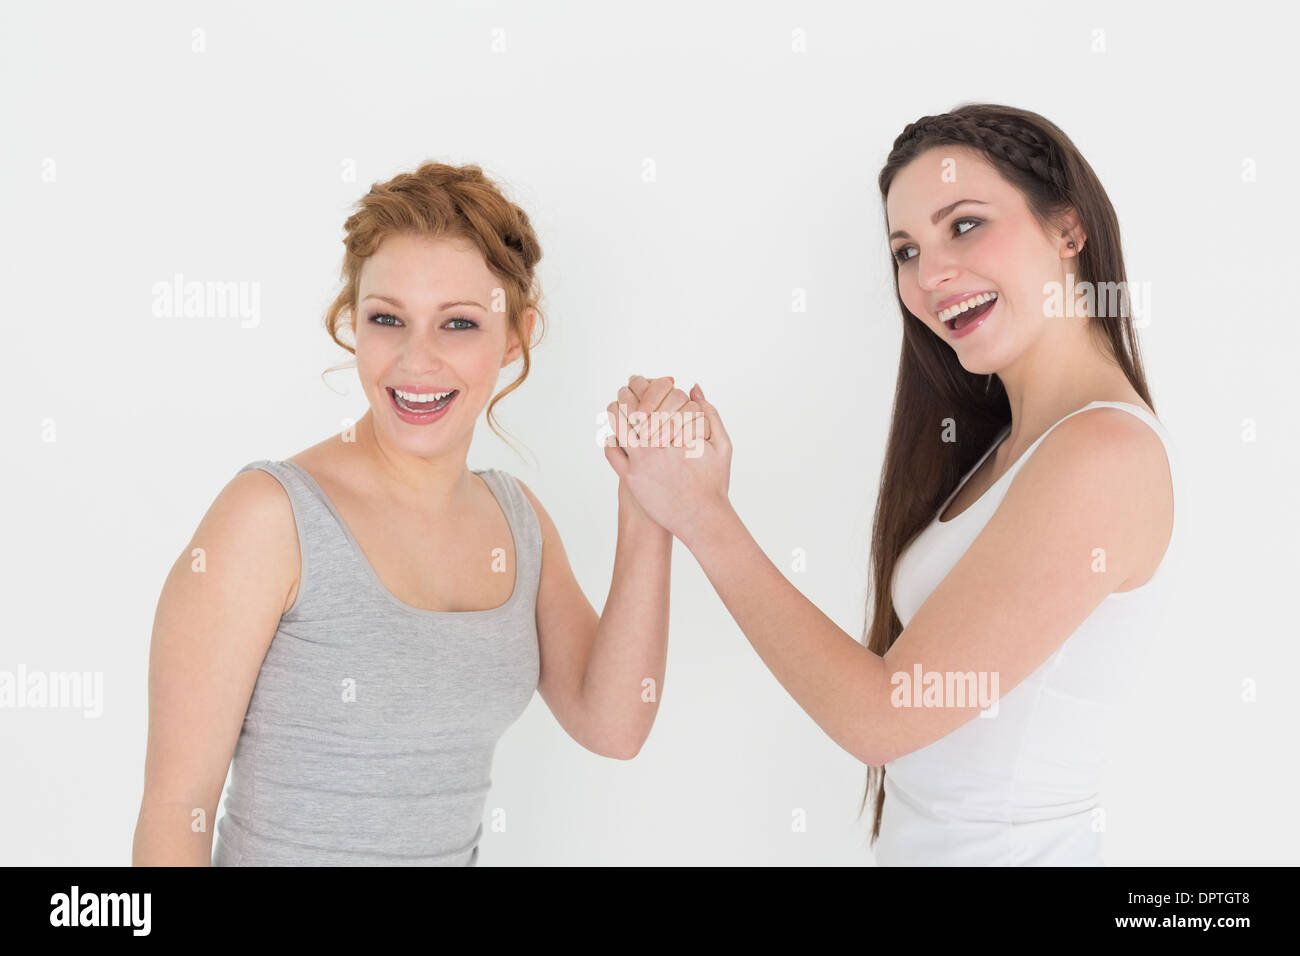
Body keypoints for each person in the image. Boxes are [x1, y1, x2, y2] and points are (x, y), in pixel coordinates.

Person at [606, 103, 1178, 865]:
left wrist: (703, 514)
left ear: (1068, 230)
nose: (931, 273)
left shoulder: (1105, 454)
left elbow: (884, 716)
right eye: (906, 249)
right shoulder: (1008, 450)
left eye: (965, 225)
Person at [132, 161, 708, 865]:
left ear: (517, 336)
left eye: (459, 323)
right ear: (353, 320)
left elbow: (613, 723)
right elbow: (175, 812)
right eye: (387, 319)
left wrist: (646, 501)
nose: (416, 359)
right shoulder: (270, 518)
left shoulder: (517, 524)